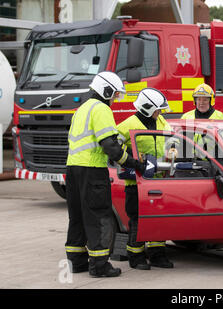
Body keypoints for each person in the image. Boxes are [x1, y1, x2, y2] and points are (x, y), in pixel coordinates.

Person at [65, 71, 146, 278]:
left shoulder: (82, 108)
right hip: (92, 170)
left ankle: (77, 262)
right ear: (106, 90)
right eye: (115, 95)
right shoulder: (101, 109)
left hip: (73, 169)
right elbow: (110, 146)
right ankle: (99, 266)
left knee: (78, 217)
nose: (114, 99)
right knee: (99, 216)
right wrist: (134, 163)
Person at [117, 88, 174, 270]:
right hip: (136, 183)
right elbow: (114, 149)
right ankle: (136, 257)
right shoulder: (127, 125)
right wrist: (133, 159)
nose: (160, 113)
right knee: (137, 220)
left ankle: (157, 255)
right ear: (147, 108)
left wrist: (173, 149)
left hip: (159, 181)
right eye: (158, 110)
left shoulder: (160, 120)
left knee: (159, 219)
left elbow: (172, 137)